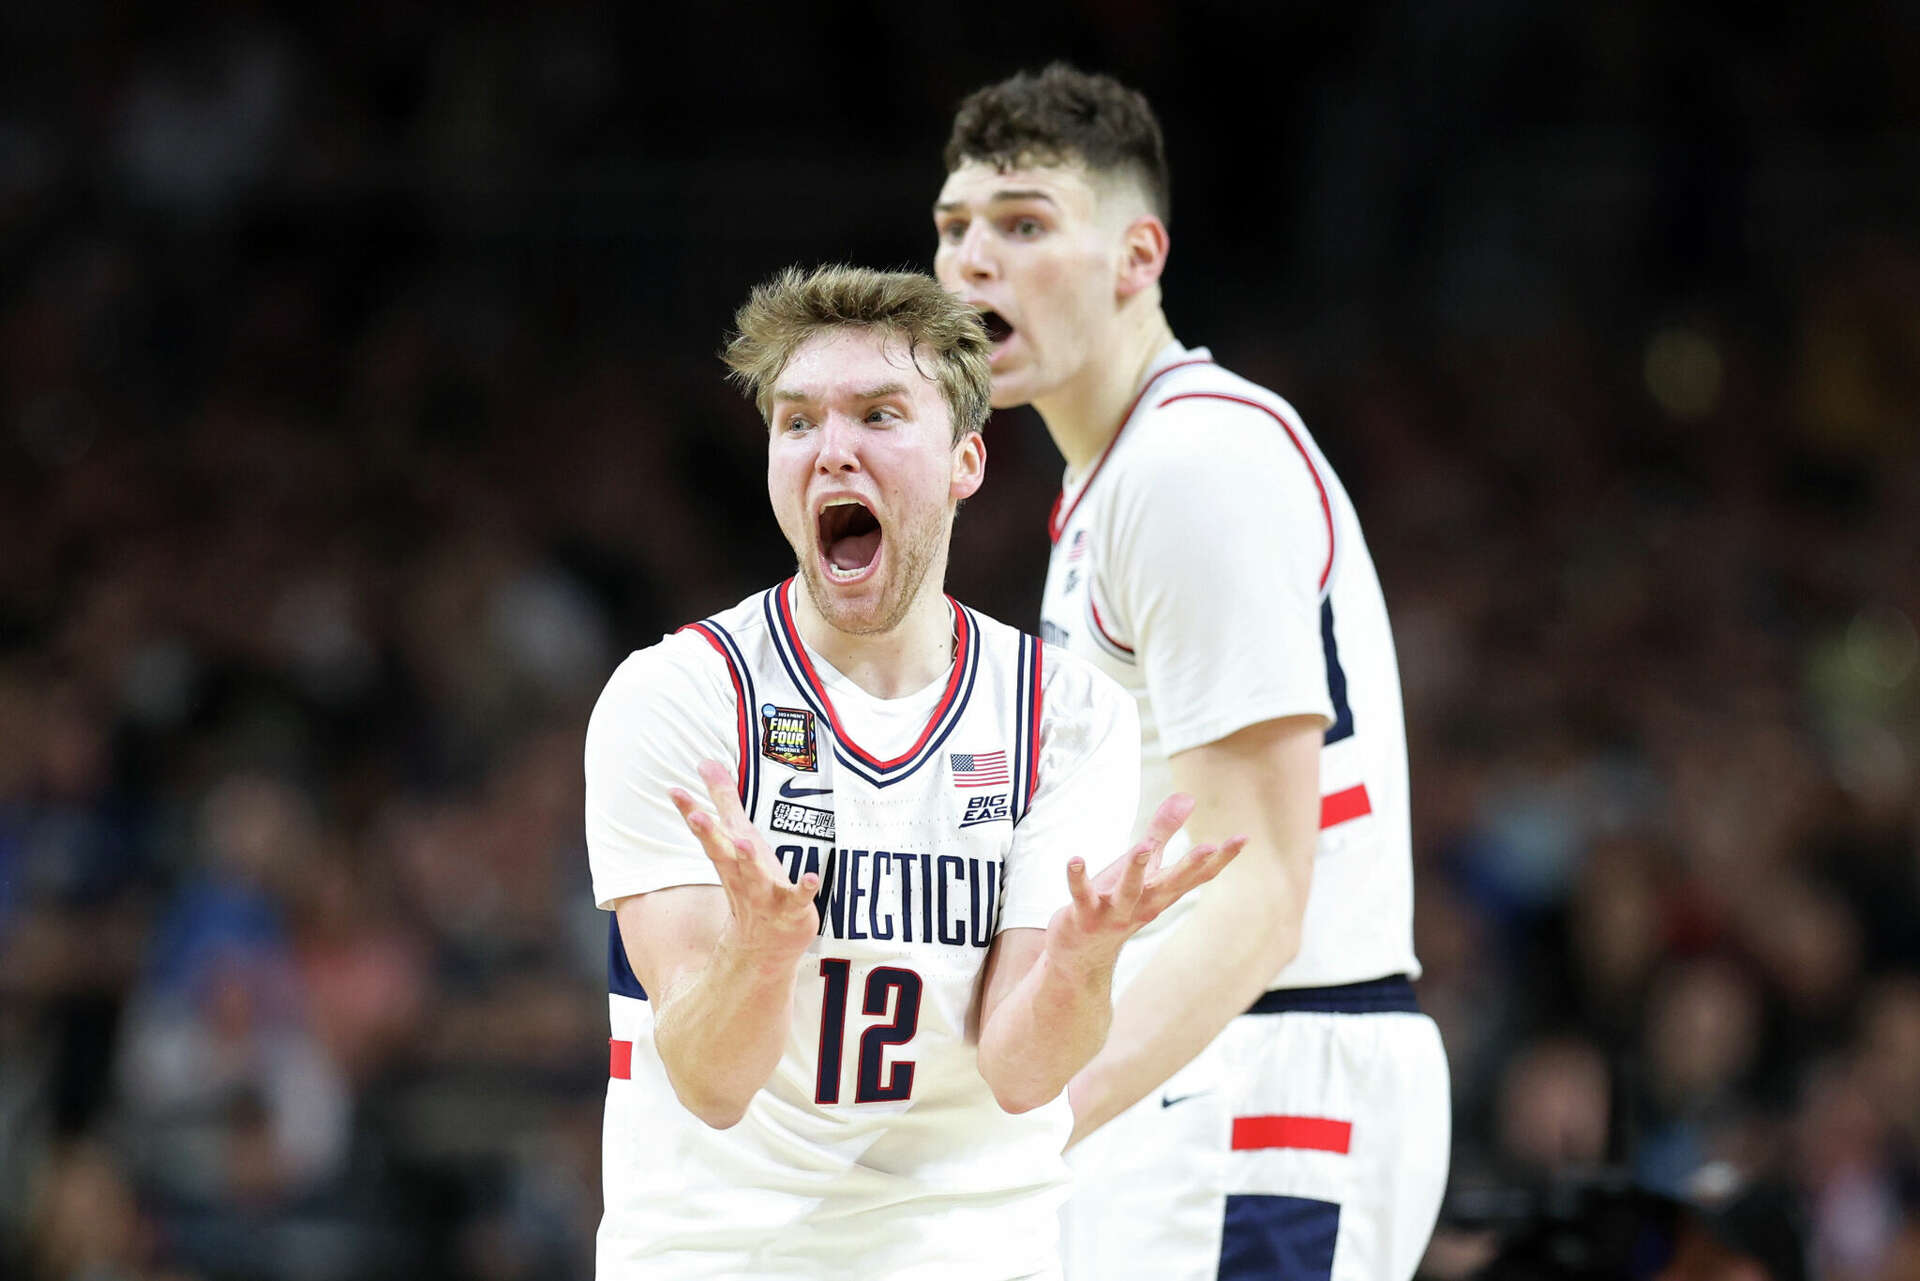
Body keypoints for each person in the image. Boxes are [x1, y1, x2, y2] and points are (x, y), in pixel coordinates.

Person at [582, 264, 1242, 1280]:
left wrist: (1084, 959)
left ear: (965, 461)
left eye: (879, 415)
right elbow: (710, 1084)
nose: (832, 449)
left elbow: (1024, 1072)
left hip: (975, 1250)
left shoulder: (1065, 716)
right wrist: (761, 948)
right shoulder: (678, 697)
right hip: (721, 1253)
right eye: (797, 422)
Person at [932, 65, 1450, 1280]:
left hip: (1266, 1081)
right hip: (1205, 1074)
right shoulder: (1113, 480)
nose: (972, 265)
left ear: (1137, 256)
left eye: (1023, 224)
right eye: (955, 229)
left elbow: (1260, 884)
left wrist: (1030, 1130)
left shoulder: (1191, 466)